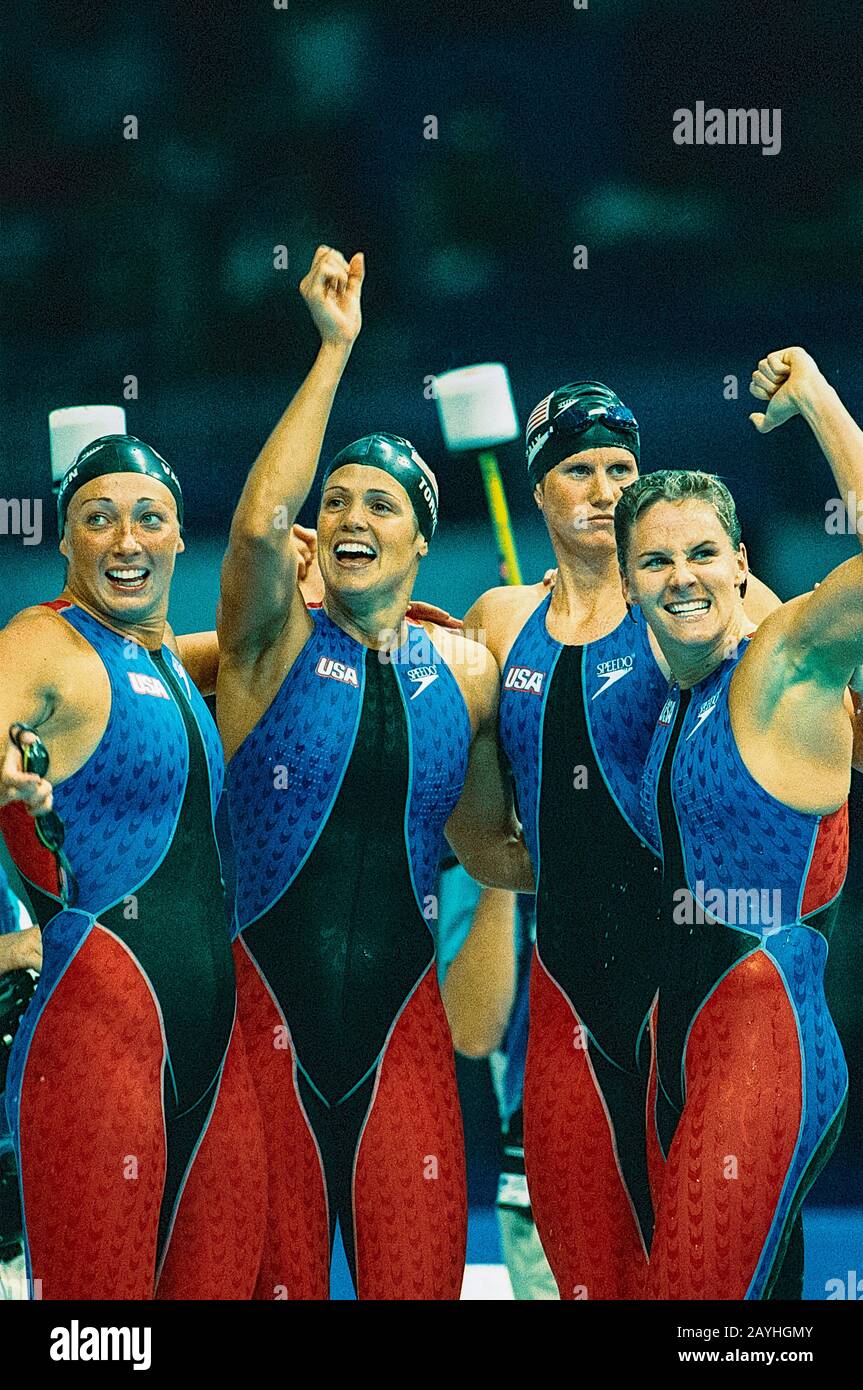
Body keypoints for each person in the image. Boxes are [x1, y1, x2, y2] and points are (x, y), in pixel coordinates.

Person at [217, 245, 533, 1300]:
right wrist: (334, 349)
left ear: (420, 540)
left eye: (381, 505)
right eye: (338, 501)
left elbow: (497, 853)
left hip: (405, 1051)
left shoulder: (468, 672)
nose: (352, 516)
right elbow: (260, 521)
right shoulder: (267, 648)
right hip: (262, 1044)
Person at [464, 381, 781, 1299]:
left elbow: (815, 667)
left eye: (619, 469)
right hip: (564, 998)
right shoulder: (497, 620)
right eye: (577, 469)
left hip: (692, 990)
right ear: (538, 491)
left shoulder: (695, 594)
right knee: (584, 1275)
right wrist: (564, 874)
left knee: (707, 1288)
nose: (602, 487)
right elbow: (484, 838)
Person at [615, 346, 857, 1299]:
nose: (683, 577)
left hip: (765, 1050)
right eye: (657, 559)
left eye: (703, 552)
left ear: (741, 563)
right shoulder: (672, 700)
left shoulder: (781, 666)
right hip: (681, 1049)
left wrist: (821, 405)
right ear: (628, 580)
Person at [0, 435, 267, 1299]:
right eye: (98, 518)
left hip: (210, 1058)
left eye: (148, 518)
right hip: (93, 1044)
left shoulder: (169, 663)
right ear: (64, 538)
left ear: (179, 537)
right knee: (97, 1338)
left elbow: (251, 627)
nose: (125, 541)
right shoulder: (45, 643)